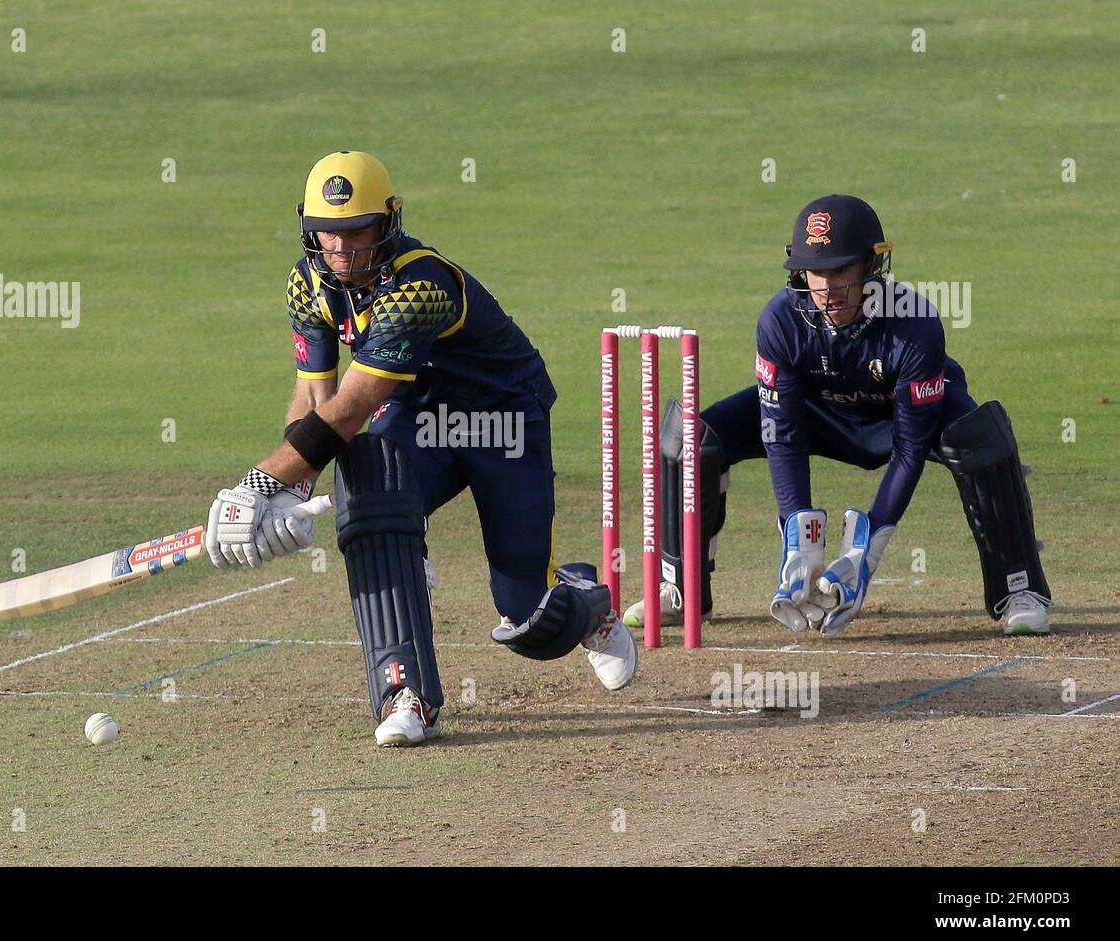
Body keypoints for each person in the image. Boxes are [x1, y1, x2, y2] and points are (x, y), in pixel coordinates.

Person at [204, 150, 638, 748]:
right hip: (419, 418)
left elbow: (353, 406)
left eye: (357, 230)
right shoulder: (306, 284)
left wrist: (257, 484)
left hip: (501, 420)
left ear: (389, 221)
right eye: (327, 234)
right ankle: (406, 695)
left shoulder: (419, 284)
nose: (343, 249)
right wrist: (293, 490)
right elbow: (313, 396)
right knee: (370, 506)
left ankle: (588, 602)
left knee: (527, 621)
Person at [624, 195, 1051, 637]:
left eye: (842, 270)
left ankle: (1018, 588)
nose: (828, 287)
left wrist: (869, 548)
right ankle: (678, 588)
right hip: (817, 416)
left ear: (871, 267)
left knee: (980, 437)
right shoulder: (780, 322)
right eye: (817, 272)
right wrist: (799, 536)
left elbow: (909, 448)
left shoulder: (914, 322)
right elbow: (783, 435)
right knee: (688, 440)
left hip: (896, 421)